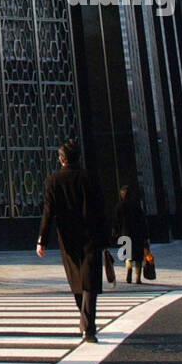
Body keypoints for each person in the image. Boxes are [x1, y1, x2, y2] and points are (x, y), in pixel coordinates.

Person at [37, 138, 109, 343]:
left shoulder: (53, 181)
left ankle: (87, 324)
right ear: (78, 157)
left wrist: (42, 240)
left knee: (77, 279)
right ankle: (88, 325)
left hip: (68, 239)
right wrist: (106, 238)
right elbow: (101, 209)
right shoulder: (90, 178)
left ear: (61, 159)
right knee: (90, 282)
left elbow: (48, 212)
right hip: (91, 237)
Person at [113, 182, 149, 284]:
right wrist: (146, 236)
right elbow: (142, 221)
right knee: (138, 257)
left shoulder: (119, 206)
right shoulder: (136, 205)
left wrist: (115, 233)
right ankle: (137, 278)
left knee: (127, 255)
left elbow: (116, 221)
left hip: (124, 234)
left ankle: (129, 268)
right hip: (137, 234)